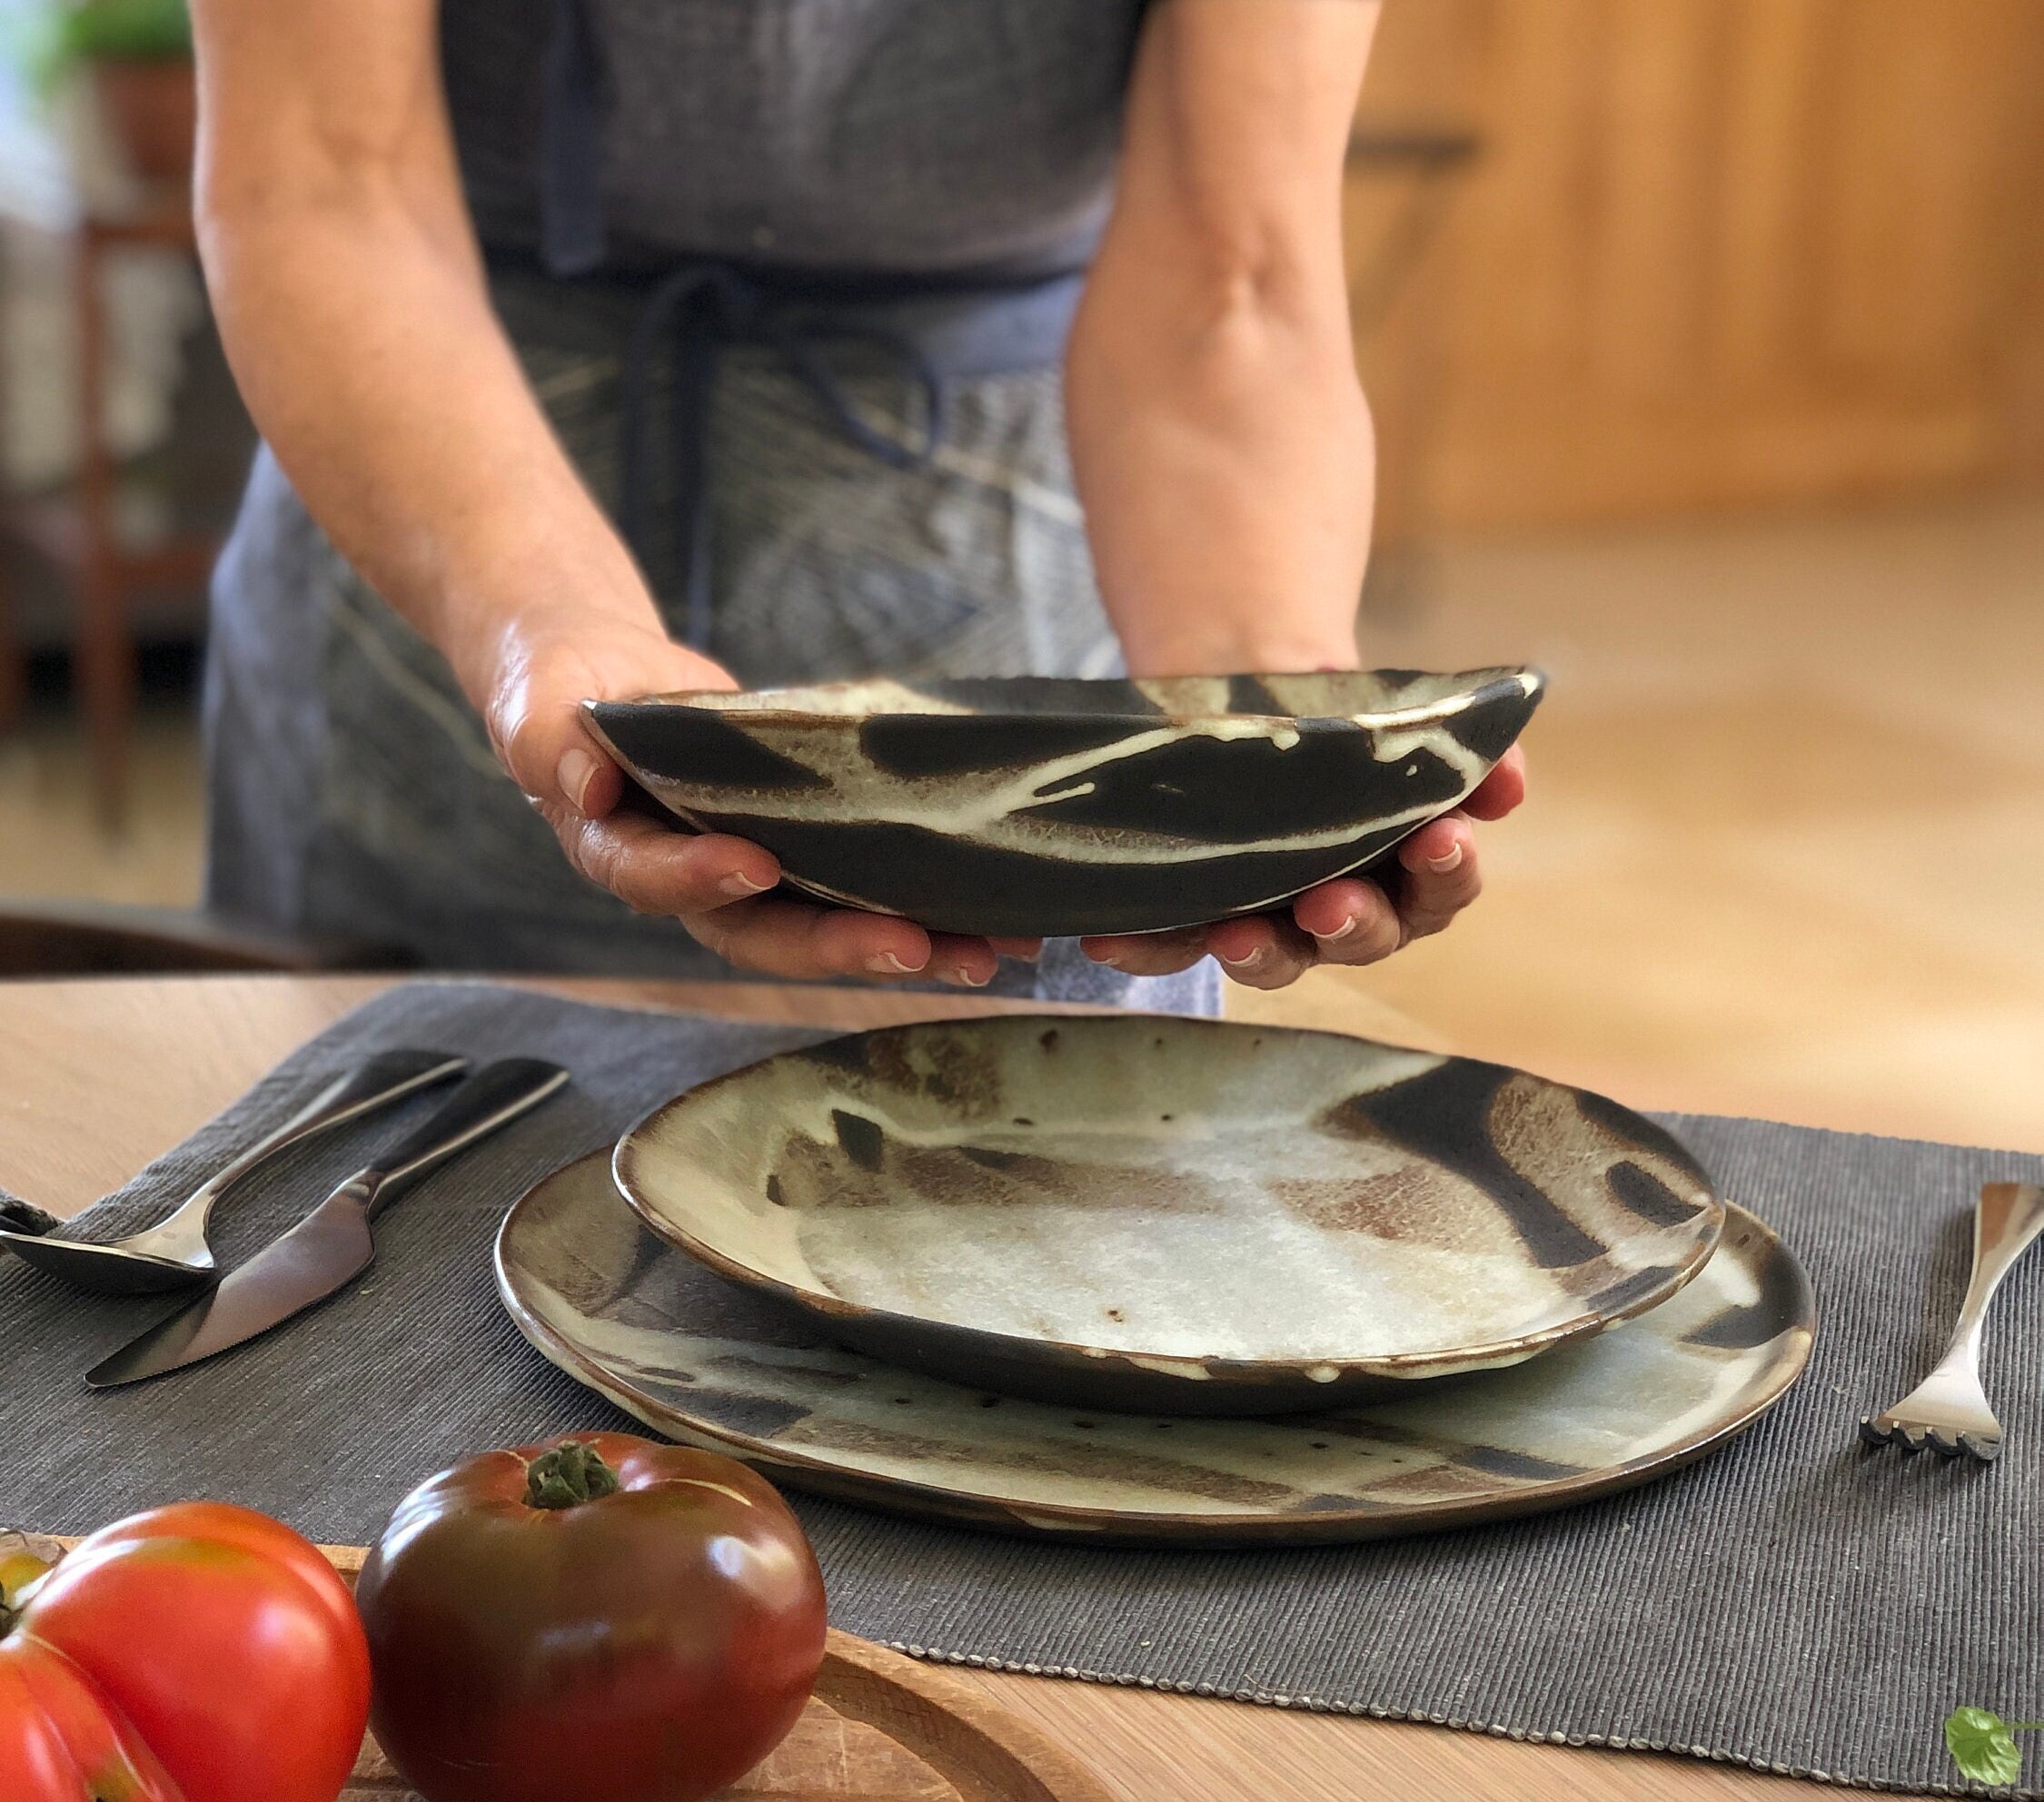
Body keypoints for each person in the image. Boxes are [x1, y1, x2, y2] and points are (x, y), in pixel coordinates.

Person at [192, 0, 1524, 1007]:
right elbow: (323, 181)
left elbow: (1226, 275)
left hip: (1025, 596)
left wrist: (1265, 720)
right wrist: (541, 623)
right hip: (435, 564)